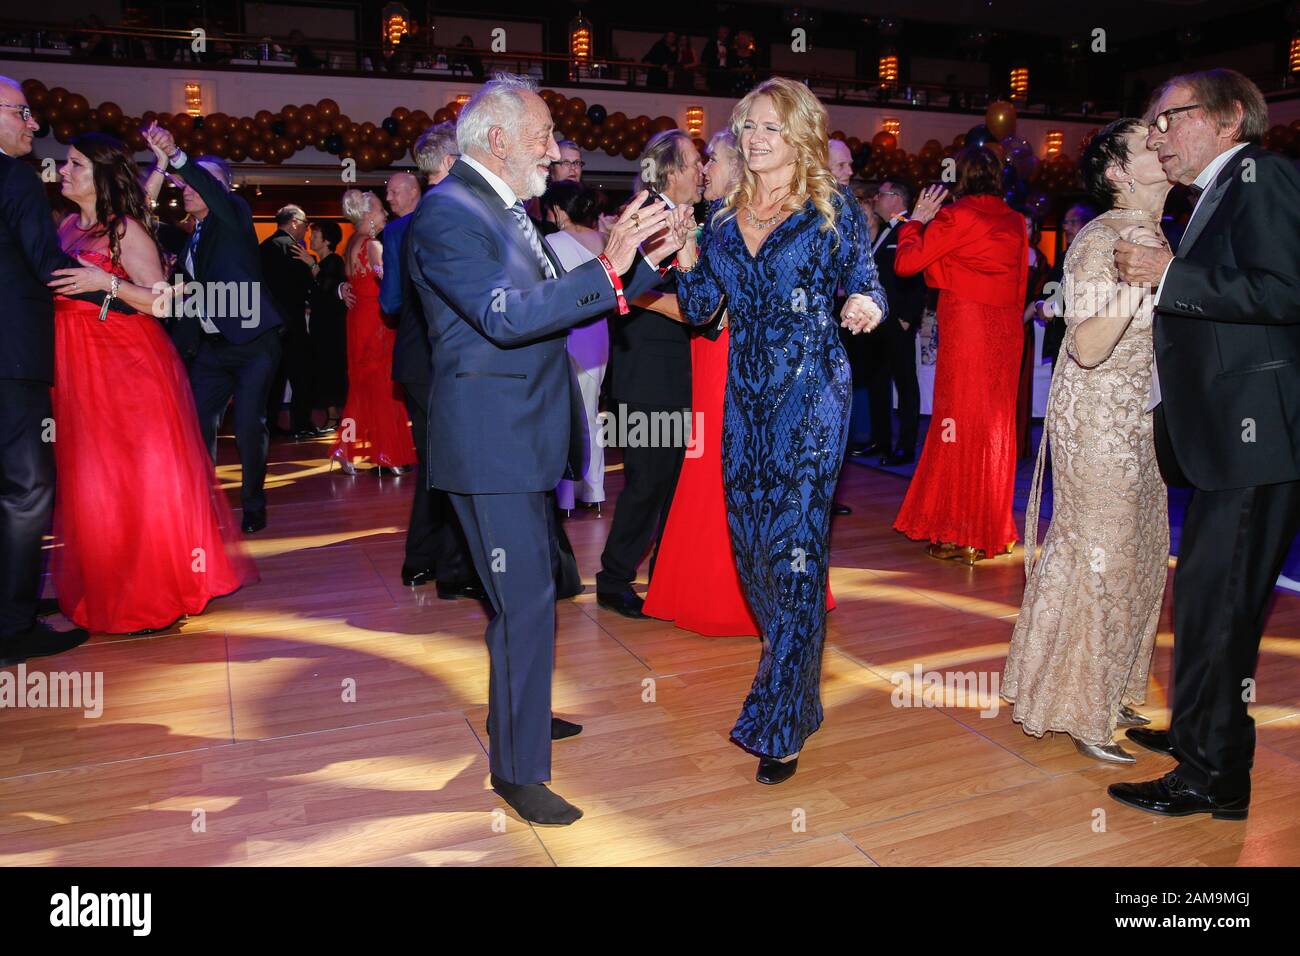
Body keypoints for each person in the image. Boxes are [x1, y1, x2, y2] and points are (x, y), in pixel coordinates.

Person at [409, 73, 686, 825]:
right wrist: (608, 264)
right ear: (496, 139)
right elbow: (504, 316)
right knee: (526, 600)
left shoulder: (502, 207)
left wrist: (639, 261)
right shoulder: (449, 213)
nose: (556, 148)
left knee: (523, 601)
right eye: (543, 135)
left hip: (519, 435)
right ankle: (518, 769)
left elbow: (562, 294)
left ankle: (518, 718)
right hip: (490, 442)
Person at [676, 77, 885, 785]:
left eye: (768, 127)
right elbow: (704, 308)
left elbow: (868, 277)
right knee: (755, 554)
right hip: (745, 405)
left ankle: (780, 723)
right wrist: (684, 252)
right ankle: (799, 687)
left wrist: (864, 301)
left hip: (813, 398)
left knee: (796, 547)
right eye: (746, 128)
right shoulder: (724, 219)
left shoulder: (833, 211)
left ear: (798, 134)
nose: (753, 139)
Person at [1108, 69, 1300, 821]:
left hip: (1256, 442)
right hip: (1231, 439)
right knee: (1208, 603)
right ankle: (1201, 736)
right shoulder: (1222, 190)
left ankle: (1211, 776)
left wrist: (1170, 274)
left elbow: (1286, 290)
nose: (1156, 136)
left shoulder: (1264, 174)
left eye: (1167, 120)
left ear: (1225, 119)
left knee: (1218, 609)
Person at [1003, 118, 1172, 764]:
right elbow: (1089, 344)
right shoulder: (1100, 240)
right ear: (1115, 172)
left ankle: (1112, 687)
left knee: (1141, 551)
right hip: (1097, 418)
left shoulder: (1154, 234)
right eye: (1143, 143)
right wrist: (1136, 287)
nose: (1159, 145)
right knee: (1098, 552)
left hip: (1140, 419)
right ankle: (1078, 706)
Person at [44, 132, 256, 634]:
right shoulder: (70, 226)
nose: (63, 171)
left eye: (74, 164)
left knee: (133, 477)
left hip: (127, 368)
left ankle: (151, 589)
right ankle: (107, 584)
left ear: (98, 175)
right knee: (95, 481)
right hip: (80, 367)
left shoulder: (126, 232)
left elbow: (163, 303)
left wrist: (107, 284)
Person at [643, 129, 835, 637]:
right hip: (710, 358)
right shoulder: (718, 222)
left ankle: (731, 596)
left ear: (738, 167)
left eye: (713, 160)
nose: (704, 169)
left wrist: (642, 294)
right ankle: (712, 585)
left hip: (735, 358)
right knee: (707, 462)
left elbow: (719, 312)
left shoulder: (743, 224)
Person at [0, 75, 124, 663]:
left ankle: (11, 606)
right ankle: (14, 626)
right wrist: (118, 293)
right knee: (26, 492)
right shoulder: (15, 177)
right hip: (13, 358)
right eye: (22, 113)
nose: (33, 125)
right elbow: (46, 264)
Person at [145, 122, 285, 535]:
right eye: (184, 185)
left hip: (253, 342)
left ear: (220, 187)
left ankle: (253, 503)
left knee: (247, 424)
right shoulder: (194, 238)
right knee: (197, 425)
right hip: (209, 349)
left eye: (197, 182)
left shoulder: (235, 214)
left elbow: (208, 187)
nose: (187, 188)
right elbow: (143, 223)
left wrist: (182, 160)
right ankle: (200, 502)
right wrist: (158, 170)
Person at [891, 147, 1028, 565]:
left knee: (958, 422)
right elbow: (1018, 278)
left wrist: (916, 221)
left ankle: (961, 532)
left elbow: (907, 264)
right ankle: (991, 528)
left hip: (968, 326)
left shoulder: (959, 215)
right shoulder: (1015, 220)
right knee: (994, 426)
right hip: (1005, 330)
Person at [596, 128, 706, 619]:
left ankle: (666, 576)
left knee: (673, 483)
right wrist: (681, 307)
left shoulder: (686, 217)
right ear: (672, 170)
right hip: (645, 378)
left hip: (676, 374)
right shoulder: (645, 216)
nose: (703, 170)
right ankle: (614, 579)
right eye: (695, 162)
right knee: (647, 483)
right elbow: (619, 285)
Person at [384, 125, 482, 599]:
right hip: (437, 360)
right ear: (451, 160)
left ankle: (423, 561)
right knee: (452, 464)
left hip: (416, 357)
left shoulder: (407, 223)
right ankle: (450, 568)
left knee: (434, 463)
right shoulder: (453, 212)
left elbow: (394, 301)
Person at [329, 189, 416, 475]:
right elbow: (384, 279)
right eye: (380, 209)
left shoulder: (351, 242)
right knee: (383, 388)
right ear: (368, 215)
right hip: (376, 321)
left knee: (361, 388)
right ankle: (388, 454)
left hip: (356, 321)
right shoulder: (372, 245)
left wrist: (343, 289)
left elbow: (354, 281)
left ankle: (346, 448)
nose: (385, 213)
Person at [539, 182, 609, 513]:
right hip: (598, 333)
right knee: (591, 414)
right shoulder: (600, 240)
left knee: (566, 416)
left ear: (559, 211)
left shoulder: (551, 242)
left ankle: (565, 498)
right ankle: (594, 493)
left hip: (568, 330)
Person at [863, 179, 924, 466]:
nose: (876, 199)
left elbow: (919, 274)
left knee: (905, 383)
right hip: (878, 321)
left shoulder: (911, 228)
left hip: (898, 320)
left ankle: (906, 446)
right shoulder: (882, 231)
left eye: (882, 194)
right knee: (878, 382)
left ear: (897, 198)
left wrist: (907, 317)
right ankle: (880, 439)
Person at [261, 204, 322, 438]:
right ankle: (301, 424)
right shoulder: (294, 250)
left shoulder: (264, 248)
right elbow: (307, 287)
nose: (306, 230)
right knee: (300, 375)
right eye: (305, 225)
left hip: (269, 323)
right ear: (295, 222)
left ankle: (269, 424)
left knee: (274, 378)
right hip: (293, 321)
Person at [1034, 202, 1097, 367]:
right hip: (1060, 342)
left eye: (1072, 222)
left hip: (1085, 342)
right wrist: (1042, 305)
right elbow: (1049, 290)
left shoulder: (1097, 259)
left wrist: (1054, 307)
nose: (1066, 228)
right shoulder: (1064, 257)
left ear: (1088, 224)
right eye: (1065, 223)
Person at [1015, 212, 1051, 460]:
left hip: (1021, 326)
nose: (1025, 229)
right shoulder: (1001, 253)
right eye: (1021, 225)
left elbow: (1042, 295)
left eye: (1029, 225)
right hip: (997, 324)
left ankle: (1017, 445)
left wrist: (1021, 320)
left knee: (1019, 386)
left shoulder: (1037, 258)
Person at [307, 221, 349, 425]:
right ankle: (331, 412)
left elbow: (329, 287)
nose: (310, 239)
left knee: (330, 366)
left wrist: (312, 265)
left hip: (332, 325)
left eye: (315, 236)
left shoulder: (333, 261)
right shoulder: (320, 263)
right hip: (319, 322)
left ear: (327, 240)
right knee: (321, 366)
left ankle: (334, 414)